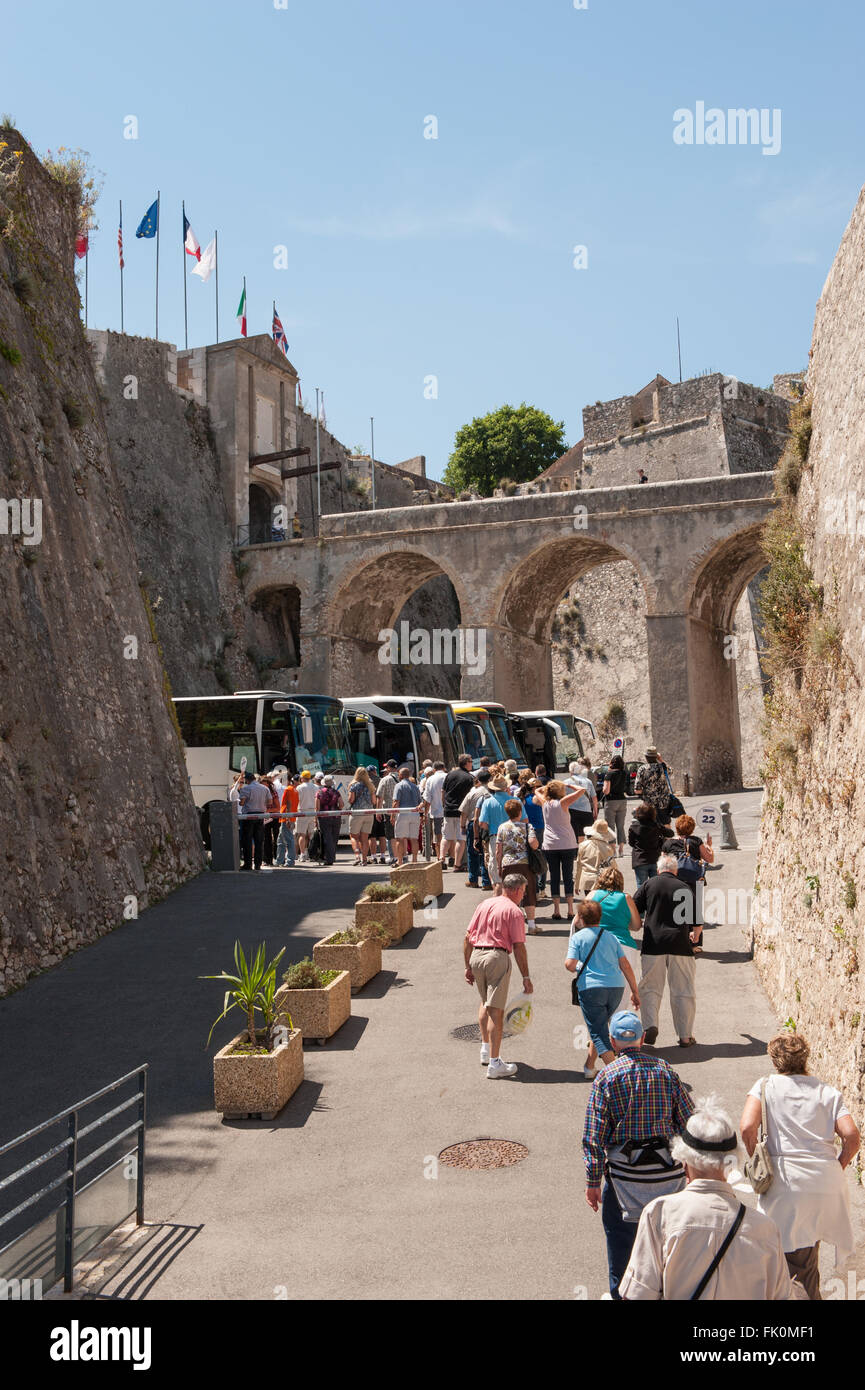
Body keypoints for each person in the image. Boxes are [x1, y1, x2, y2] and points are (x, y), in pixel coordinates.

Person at [620, 1094, 808, 1302]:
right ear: (730, 1163)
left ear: (683, 1161)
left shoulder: (660, 1214)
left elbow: (637, 1296)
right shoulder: (765, 1229)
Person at [740, 1033, 861, 1300]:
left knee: (787, 1260)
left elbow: (748, 1126)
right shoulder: (827, 1092)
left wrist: (757, 1157)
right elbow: (851, 1136)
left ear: (775, 1060)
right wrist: (837, 1166)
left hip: (787, 1184)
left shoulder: (765, 1085)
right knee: (805, 1255)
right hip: (825, 1182)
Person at [583, 1010, 693, 1299]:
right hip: (668, 1182)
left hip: (624, 1185)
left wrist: (593, 1182)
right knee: (667, 1253)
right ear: (643, 1038)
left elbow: (593, 1138)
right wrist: (692, 1172)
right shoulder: (665, 1070)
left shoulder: (606, 1077)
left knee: (622, 1250)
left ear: (612, 1041)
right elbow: (689, 1124)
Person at [463, 874, 533, 1078]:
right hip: (496, 957)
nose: (524, 895)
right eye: (524, 891)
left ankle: (485, 1050)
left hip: (477, 954)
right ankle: (495, 1063)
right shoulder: (514, 911)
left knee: (485, 1002)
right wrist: (526, 977)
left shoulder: (485, 904)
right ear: (517, 890)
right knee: (496, 1011)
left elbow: (468, 937)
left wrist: (467, 966)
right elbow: (519, 947)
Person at [567, 900, 641, 1079]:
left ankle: (621, 1074)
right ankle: (589, 1067)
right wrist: (634, 991)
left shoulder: (578, 937)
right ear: (600, 917)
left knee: (598, 1032)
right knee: (600, 1027)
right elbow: (625, 965)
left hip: (591, 988)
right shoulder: (611, 936)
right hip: (616, 986)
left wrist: (580, 967)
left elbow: (570, 965)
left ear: (581, 918)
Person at [632, 852, 698, 1047]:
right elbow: (697, 918)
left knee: (650, 987)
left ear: (659, 869)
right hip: (680, 944)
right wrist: (695, 935)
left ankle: (650, 1025)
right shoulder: (684, 887)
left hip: (653, 944)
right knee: (683, 990)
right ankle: (685, 1036)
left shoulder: (649, 884)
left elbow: (634, 908)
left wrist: (638, 924)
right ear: (675, 871)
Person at [532, 779, 583, 921]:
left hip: (550, 844)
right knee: (568, 876)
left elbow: (536, 790)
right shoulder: (563, 802)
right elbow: (582, 790)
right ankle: (571, 910)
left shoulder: (545, 802)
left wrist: (546, 787)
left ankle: (556, 910)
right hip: (566, 843)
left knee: (554, 877)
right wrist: (569, 784)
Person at [662, 813, 711, 955]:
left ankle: (678, 942)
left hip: (674, 880)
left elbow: (663, 863)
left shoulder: (668, 843)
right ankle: (695, 944)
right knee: (695, 911)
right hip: (695, 880)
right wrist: (710, 847)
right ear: (691, 828)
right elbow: (709, 859)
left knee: (676, 911)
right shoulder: (696, 841)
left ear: (677, 828)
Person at [589, 863, 643, 985]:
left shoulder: (592, 895)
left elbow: (578, 921)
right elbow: (636, 926)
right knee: (622, 993)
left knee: (599, 986)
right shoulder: (626, 898)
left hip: (597, 944)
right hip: (624, 945)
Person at [495, 797, 541, 933]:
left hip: (508, 863)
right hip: (524, 863)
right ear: (520, 812)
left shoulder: (502, 828)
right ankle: (531, 925)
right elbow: (534, 844)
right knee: (528, 892)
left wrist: (499, 866)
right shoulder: (527, 826)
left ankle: (511, 925)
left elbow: (499, 851)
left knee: (509, 893)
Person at [477, 774, 512, 895]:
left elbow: (482, 823)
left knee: (497, 867)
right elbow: (524, 820)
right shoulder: (514, 801)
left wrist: (492, 827)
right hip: (513, 836)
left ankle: (498, 897)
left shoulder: (488, 802)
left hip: (495, 836)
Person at [441, 754, 473, 871]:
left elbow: (443, 792)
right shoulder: (469, 778)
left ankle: (441, 859)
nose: (472, 763)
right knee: (461, 839)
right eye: (470, 761)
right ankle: (457, 864)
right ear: (466, 763)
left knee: (446, 837)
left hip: (448, 810)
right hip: (461, 812)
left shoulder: (450, 774)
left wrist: (444, 805)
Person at [461, 768, 492, 889]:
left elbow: (463, 811)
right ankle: (486, 881)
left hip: (474, 823)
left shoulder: (472, 793)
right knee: (486, 852)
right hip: (488, 824)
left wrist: (462, 825)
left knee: (472, 852)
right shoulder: (492, 792)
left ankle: (473, 879)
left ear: (478, 780)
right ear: (490, 779)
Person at [237, 771, 270, 871]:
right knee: (259, 841)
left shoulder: (246, 788)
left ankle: (248, 864)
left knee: (247, 840)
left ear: (247, 780)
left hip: (249, 816)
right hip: (260, 815)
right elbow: (270, 801)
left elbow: (242, 803)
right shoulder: (265, 788)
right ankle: (258, 864)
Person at [575, 817, 617, 895]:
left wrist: (577, 884)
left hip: (587, 881)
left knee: (590, 905)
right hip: (602, 880)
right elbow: (613, 867)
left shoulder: (583, 845)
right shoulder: (608, 848)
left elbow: (579, 865)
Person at [628, 802, 665, 889]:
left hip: (640, 859)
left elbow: (631, 843)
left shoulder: (634, 827)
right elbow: (670, 833)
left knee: (641, 887)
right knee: (655, 887)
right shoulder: (656, 826)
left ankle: (642, 903)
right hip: (655, 858)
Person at [633, 747, 672, 827]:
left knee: (651, 829)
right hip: (664, 803)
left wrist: (647, 792)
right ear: (656, 756)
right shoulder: (662, 767)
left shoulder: (642, 769)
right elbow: (671, 771)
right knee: (666, 827)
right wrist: (661, 759)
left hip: (649, 806)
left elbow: (637, 790)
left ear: (646, 757)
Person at [392, 765, 422, 865]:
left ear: (400, 775)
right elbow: (419, 802)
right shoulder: (415, 786)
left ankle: (399, 861)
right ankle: (414, 860)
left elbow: (396, 802)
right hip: (414, 813)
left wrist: (392, 815)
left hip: (403, 813)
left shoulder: (398, 786)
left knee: (399, 838)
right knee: (414, 839)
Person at [347, 766, 376, 865]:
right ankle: (364, 859)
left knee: (354, 836)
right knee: (365, 838)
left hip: (357, 812)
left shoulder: (354, 785)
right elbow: (374, 801)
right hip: (369, 813)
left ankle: (357, 856)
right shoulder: (370, 785)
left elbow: (351, 800)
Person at [601, 754, 629, 858]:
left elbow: (606, 791)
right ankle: (621, 850)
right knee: (620, 826)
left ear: (612, 763)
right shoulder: (624, 773)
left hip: (611, 801)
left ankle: (613, 851)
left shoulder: (609, 774)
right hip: (622, 800)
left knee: (610, 826)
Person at [564, 759, 597, 843]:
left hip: (572, 812)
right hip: (587, 811)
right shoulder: (588, 781)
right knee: (590, 837)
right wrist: (595, 811)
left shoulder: (565, 782)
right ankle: (590, 853)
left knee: (575, 836)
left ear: (570, 771)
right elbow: (594, 798)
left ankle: (578, 853)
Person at [315, 775, 344, 865]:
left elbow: (317, 808)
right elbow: (342, 804)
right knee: (334, 838)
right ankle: (333, 856)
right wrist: (337, 809)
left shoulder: (319, 793)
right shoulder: (336, 792)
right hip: (336, 817)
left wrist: (315, 819)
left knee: (327, 838)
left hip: (324, 817)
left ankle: (329, 859)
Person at [376, 760, 399, 865]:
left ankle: (393, 856)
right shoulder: (403, 777)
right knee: (400, 835)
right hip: (402, 811)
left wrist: (378, 811)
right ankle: (402, 855)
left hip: (389, 811)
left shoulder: (385, 779)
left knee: (391, 835)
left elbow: (380, 797)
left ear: (389, 768)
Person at [422, 760, 447, 859]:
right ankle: (452, 858)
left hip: (436, 812)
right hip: (448, 812)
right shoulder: (448, 776)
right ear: (444, 768)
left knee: (438, 837)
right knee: (450, 837)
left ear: (434, 769)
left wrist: (425, 813)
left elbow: (427, 799)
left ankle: (440, 858)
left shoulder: (430, 779)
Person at [295, 770, 317, 863]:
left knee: (302, 834)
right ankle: (310, 852)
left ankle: (303, 854)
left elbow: (297, 800)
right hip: (313, 811)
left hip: (302, 811)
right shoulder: (315, 787)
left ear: (302, 778)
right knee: (311, 834)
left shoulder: (299, 787)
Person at [275, 774, 298, 867]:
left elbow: (288, 803)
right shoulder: (294, 790)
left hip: (286, 817)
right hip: (289, 817)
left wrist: (288, 818)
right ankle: (280, 860)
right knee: (281, 840)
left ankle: (289, 861)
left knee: (288, 840)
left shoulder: (288, 789)